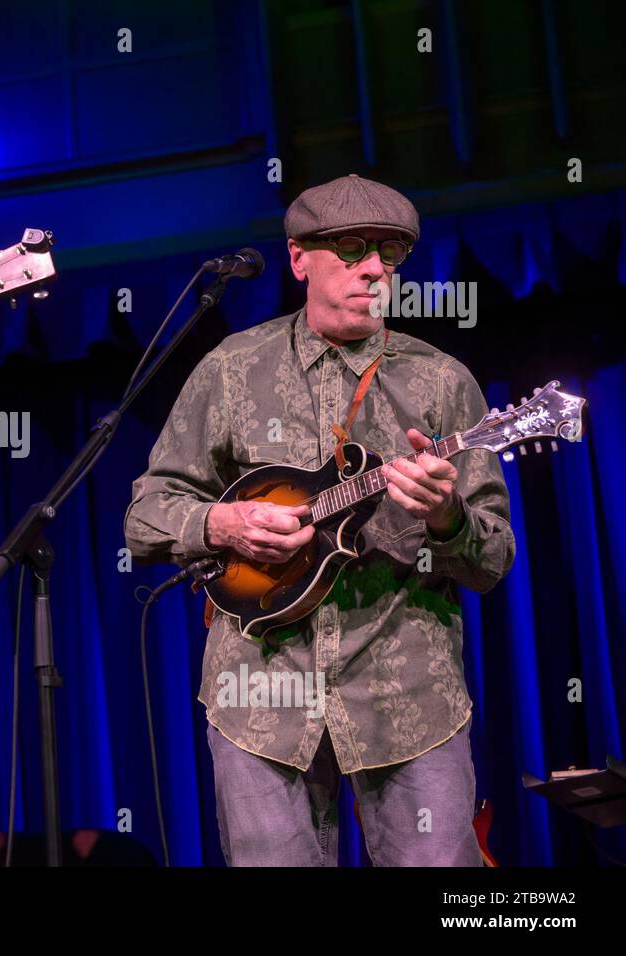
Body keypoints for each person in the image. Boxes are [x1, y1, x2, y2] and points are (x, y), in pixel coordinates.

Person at [124, 174, 514, 866]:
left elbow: (492, 561)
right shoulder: (233, 369)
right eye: (354, 249)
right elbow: (147, 515)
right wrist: (224, 526)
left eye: (389, 255)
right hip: (260, 703)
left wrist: (448, 516)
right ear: (299, 258)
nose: (375, 268)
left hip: (410, 698)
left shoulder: (441, 382)